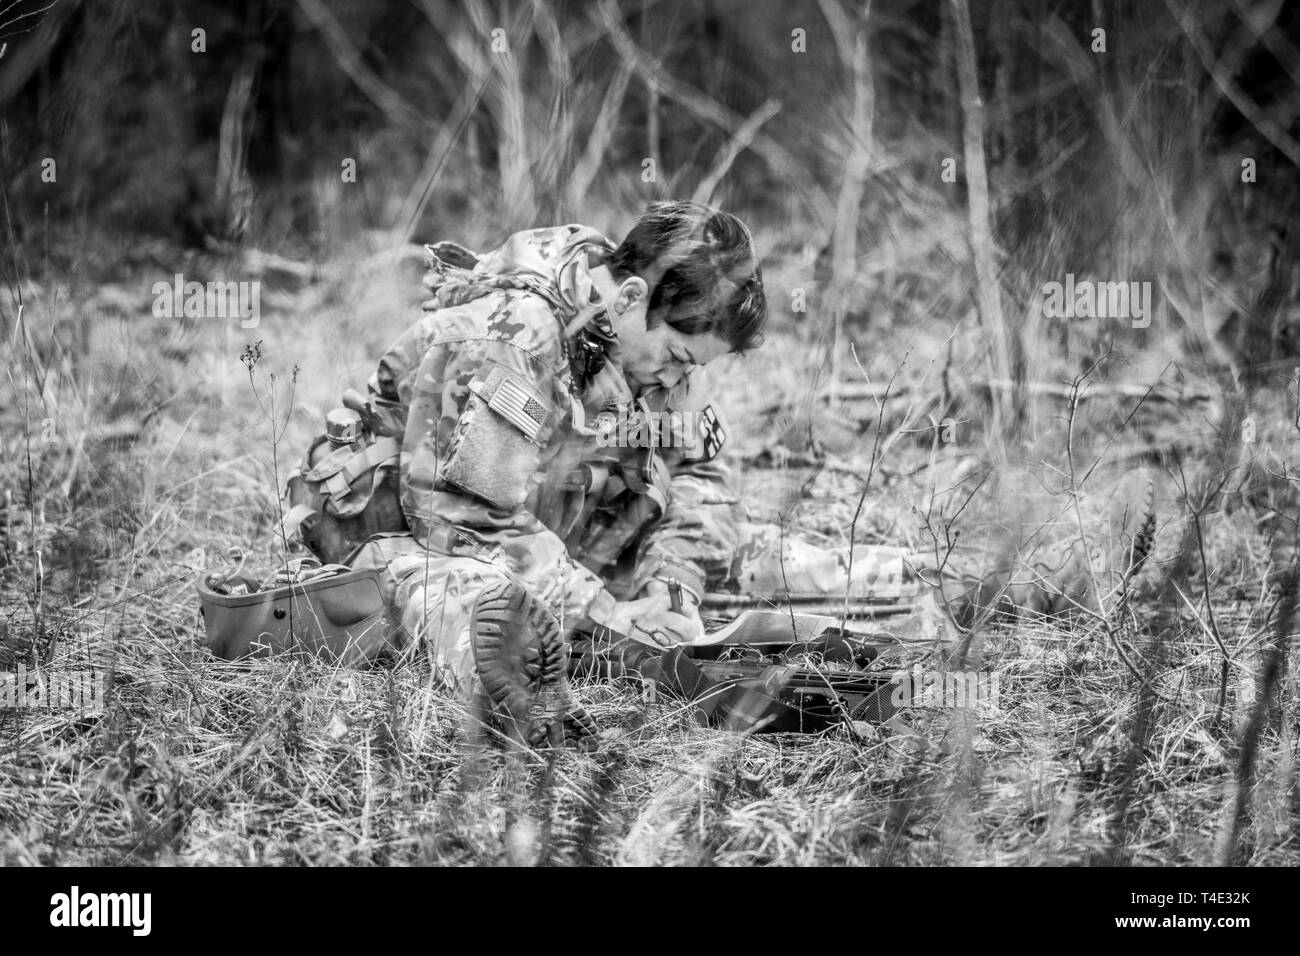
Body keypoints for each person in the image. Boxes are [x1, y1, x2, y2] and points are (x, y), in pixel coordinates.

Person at [345, 200, 1157, 747]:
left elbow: (701, 476)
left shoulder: (662, 335)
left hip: (560, 523)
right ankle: (511, 674)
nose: (673, 381)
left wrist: (673, 588)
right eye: (671, 358)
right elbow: (465, 515)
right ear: (630, 298)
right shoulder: (514, 333)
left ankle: (1034, 576)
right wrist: (603, 609)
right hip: (395, 527)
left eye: (689, 367)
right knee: (457, 584)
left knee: (748, 559)